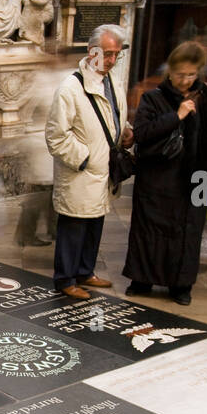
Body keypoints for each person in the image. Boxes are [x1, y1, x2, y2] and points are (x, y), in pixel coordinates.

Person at [124, 40, 207, 305]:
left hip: (193, 179)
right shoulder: (153, 98)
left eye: (191, 74)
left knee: (187, 234)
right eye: (180, 74)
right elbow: (142, 134)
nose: (185, 80)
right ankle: (141, 279)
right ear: (170, 71)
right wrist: (177, 115)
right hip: (157, 179)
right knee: (149, 231)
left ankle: (180, 285)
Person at [45, 23, 133, 299]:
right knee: (74, 227)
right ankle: (65, 279)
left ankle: (85, 271)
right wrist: (85, 159)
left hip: (102, 171)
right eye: (106, 53)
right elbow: (56, 136)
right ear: (91, 50)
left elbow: (112, 116)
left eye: (116, 54)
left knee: (95, 223)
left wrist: (124, 131)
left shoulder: (112, 82)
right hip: (80, 172)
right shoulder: (71, 87)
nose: (111, 60)